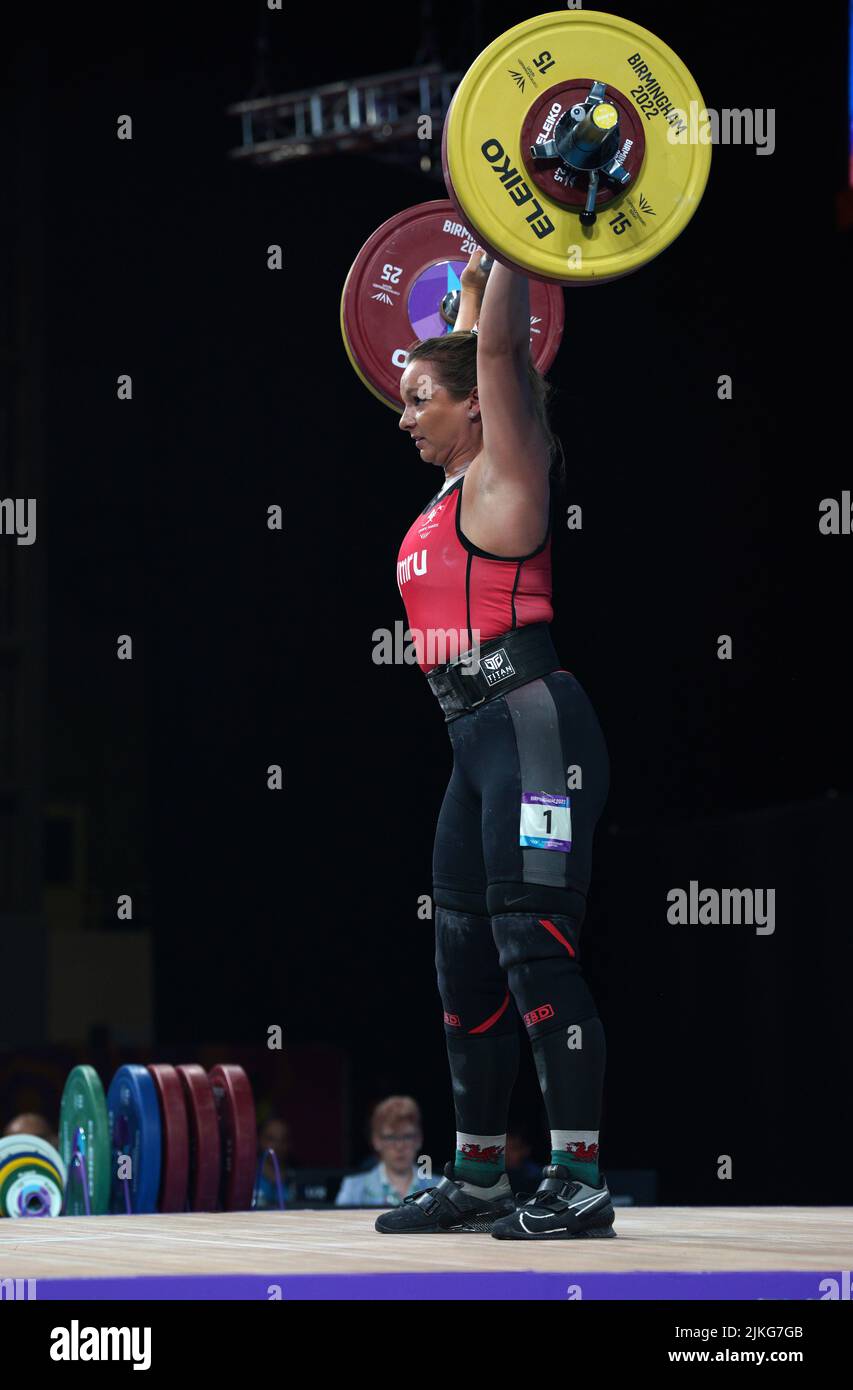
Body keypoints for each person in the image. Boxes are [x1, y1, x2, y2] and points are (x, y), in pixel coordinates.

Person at [375, 251, 615, 1240]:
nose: (403, 416)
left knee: (533, 950)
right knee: (463, 959)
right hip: (471, 745)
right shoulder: (441, 499)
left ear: (475, 408)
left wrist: (514, 239)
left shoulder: (507, 468)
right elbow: (477, 334)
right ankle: (477, 1178)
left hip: (532, 730)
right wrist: (472, 270)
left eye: (419, 399)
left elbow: (503, 348)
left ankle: (577, 1178)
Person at [336, 1097, 434, 1207]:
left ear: (419, 1139)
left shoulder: (439, 1188)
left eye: (407, 1137)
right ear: (376, 1141)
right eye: (391, 1137)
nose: (399, 1146)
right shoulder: (353, 1189)